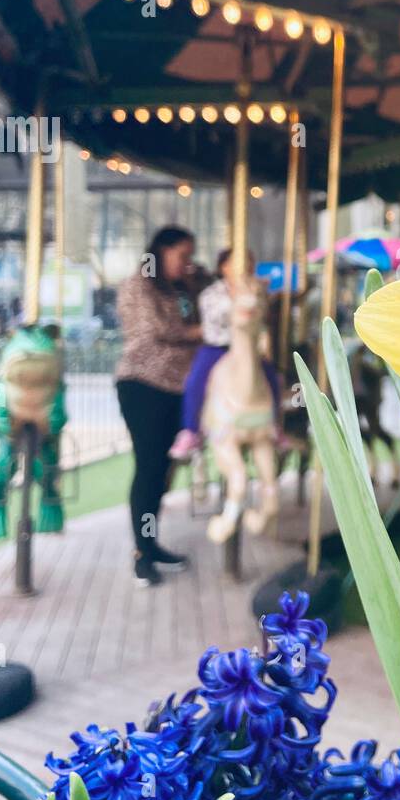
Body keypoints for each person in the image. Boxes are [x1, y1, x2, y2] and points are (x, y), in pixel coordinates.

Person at [115, 227, 202, 587]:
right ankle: (140, 554)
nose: (187, 263)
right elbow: (153, 330)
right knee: (149, 467)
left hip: (177, 388)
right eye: (182, 255)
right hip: (144, 385)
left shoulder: (179, 289)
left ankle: (151, 544)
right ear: (161, 251)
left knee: (164, 470)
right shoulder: (137, 286)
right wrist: (198, 332)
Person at [170, 248, 283, 459]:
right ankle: (190, 431)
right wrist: (239, 299)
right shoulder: (212, 294)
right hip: (217, 348)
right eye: (239, 262)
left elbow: (262, 314)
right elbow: (217, 315)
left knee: (271, 376)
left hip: (246, 348)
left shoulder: (255, 289)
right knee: (196, 380)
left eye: (249, 262)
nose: (246, 267)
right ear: (224, 267)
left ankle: (275, 426)